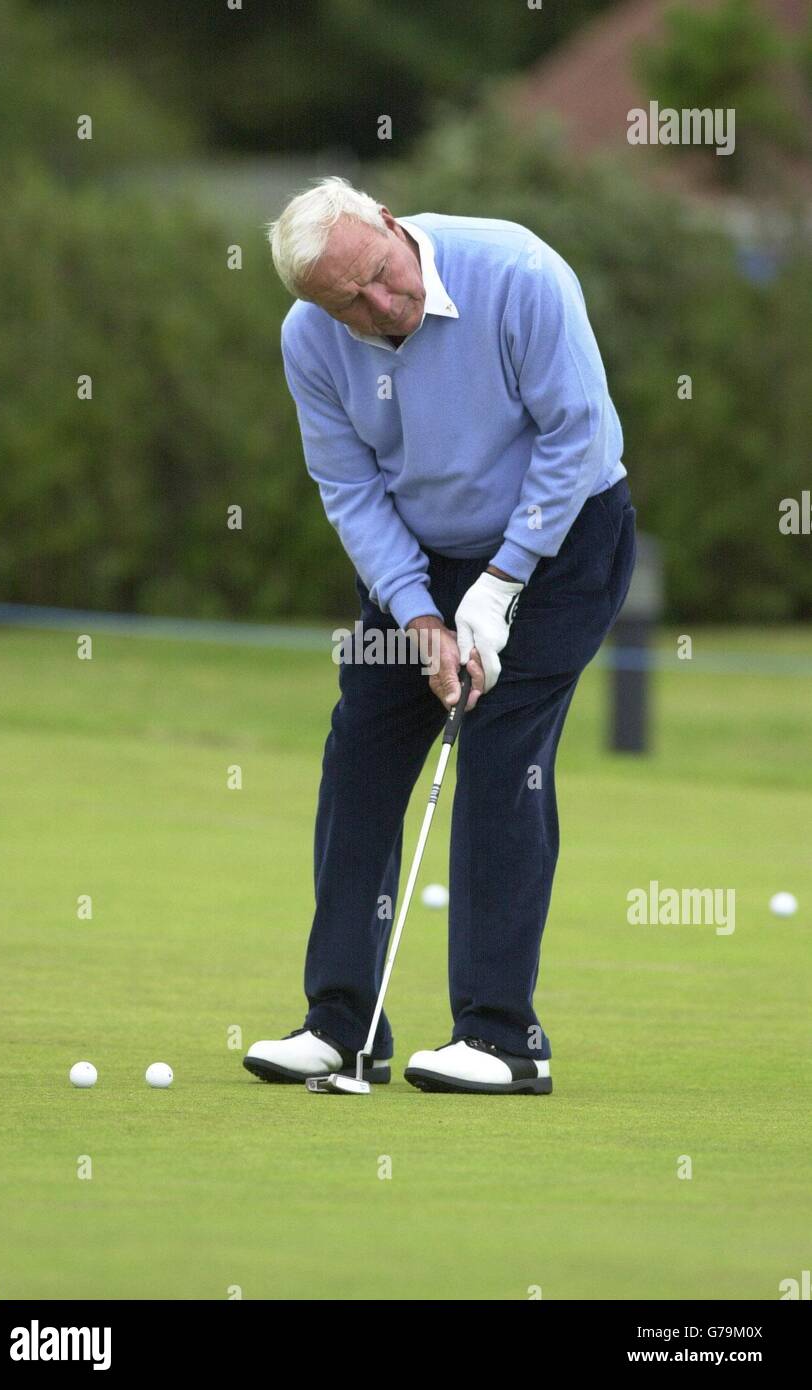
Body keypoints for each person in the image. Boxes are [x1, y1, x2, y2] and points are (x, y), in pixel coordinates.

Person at [244, 176, 636, 1094]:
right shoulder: (310, 339)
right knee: (360, 757)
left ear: (389, 222)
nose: (382, 307)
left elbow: (575, 436)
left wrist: (503, 582)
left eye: (381, 275)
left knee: (501, 757)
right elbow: (350, 489)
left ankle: (501, 1039)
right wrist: (419, 616)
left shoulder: (519, 271)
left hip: (563, 540)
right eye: (349, 302)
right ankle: (342, 1024)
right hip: (418, 558)